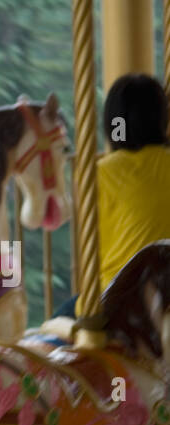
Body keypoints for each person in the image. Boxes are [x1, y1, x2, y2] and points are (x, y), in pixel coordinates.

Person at [53, 73, 170, 318]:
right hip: (164, 291)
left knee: (55, 325)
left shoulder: (99, 173)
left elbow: (92, 251)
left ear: (114, 123)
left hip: (117, 297)